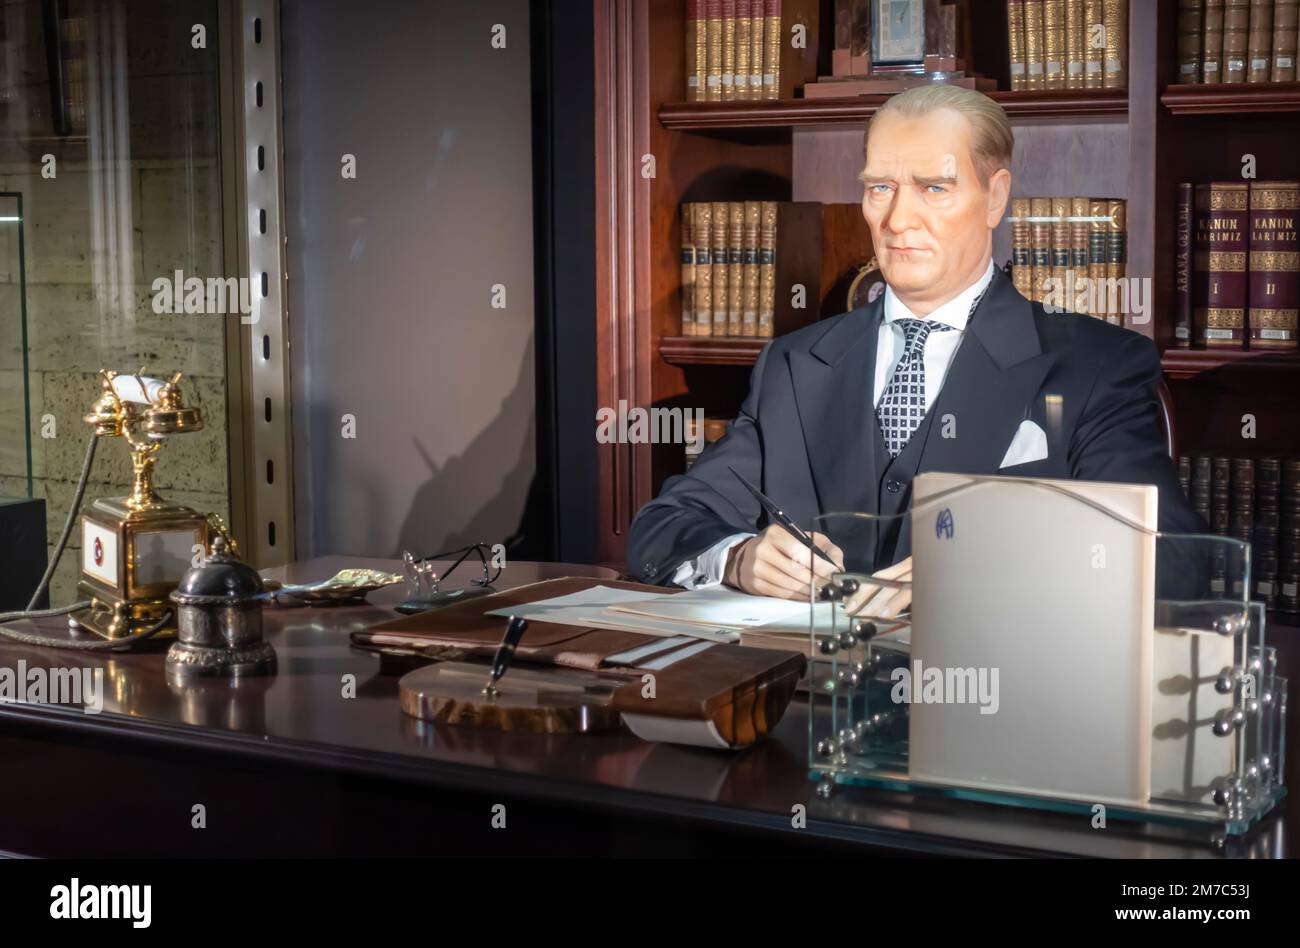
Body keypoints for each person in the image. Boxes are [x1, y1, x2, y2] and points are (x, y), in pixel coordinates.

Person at [627, 85, 1203, 617]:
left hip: (994, 708)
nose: (898, 220)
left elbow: (1174, 565)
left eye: (934, 188)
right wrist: (738, 558)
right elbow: (662, 527)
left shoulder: (1095, 366)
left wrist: (984, 570)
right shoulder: (794, 365)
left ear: (995, 197)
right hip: (803, 706)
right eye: (880, 188)